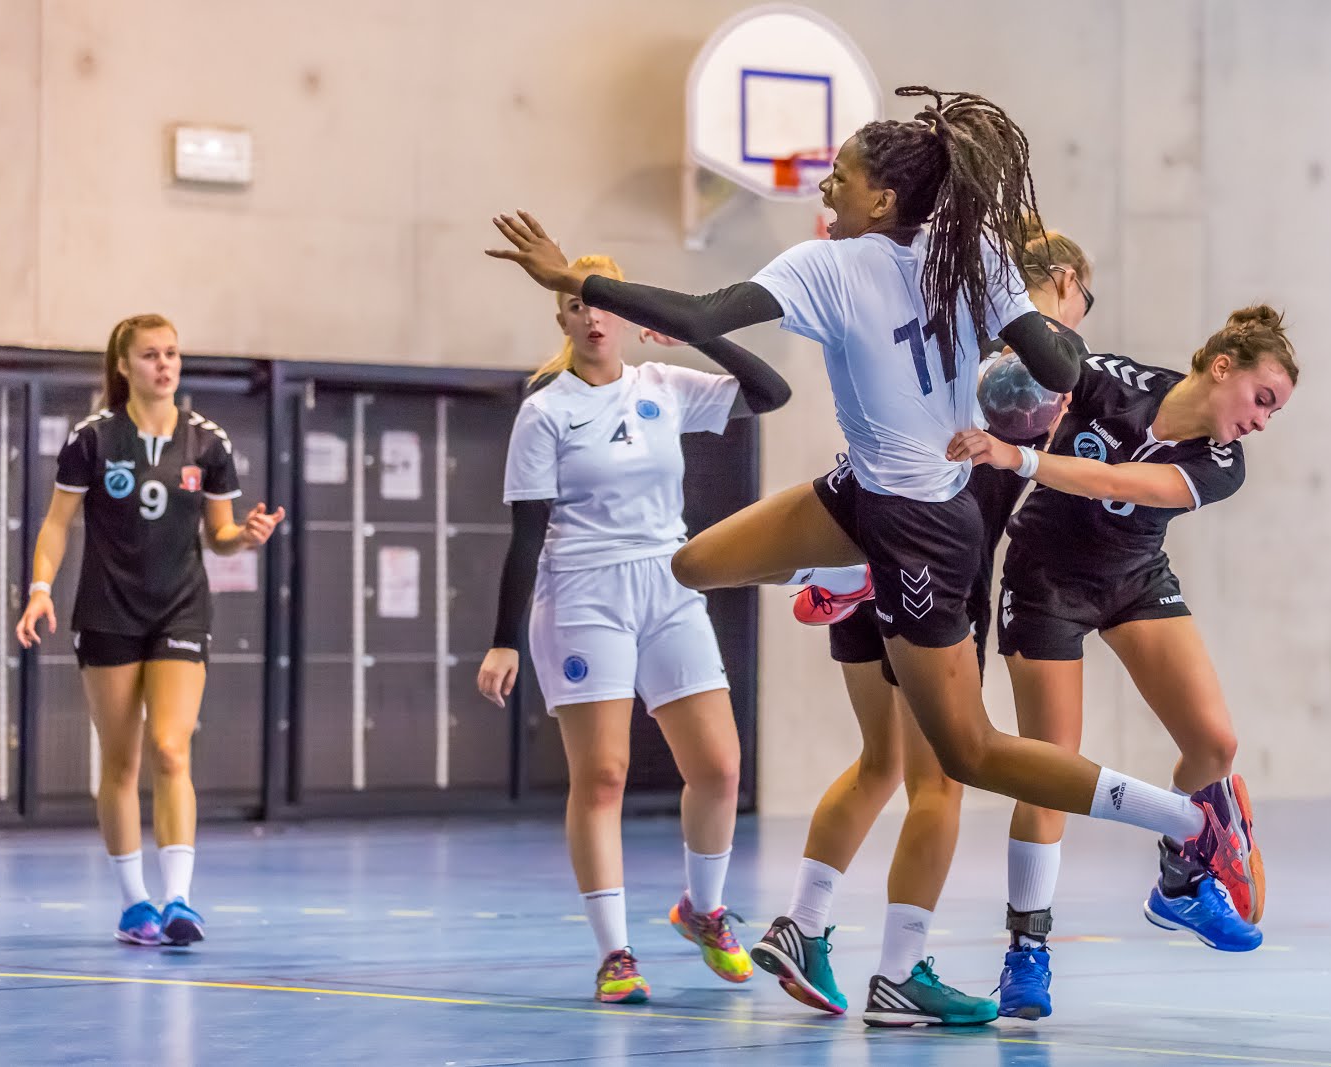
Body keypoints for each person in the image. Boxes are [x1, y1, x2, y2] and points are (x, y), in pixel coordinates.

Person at [483, 88, 1264, 1002]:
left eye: (841, 175)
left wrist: (568, 279)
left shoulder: (838, 265)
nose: (828, 185)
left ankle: (1182, 821)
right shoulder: (951, 255)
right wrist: (1030, 321)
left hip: (924, 526)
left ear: (883, 199)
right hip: (857, 491)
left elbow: (701, 315)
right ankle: (846, 578)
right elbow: (1058, 368)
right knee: (692, 563)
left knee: (965, 753)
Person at [750, 233, 1096, 1027]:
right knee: (941, 777)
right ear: (1066, 283)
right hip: (936, 570)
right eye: (1079, 310)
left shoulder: (943, 322)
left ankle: (802, 922)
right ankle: (900, 973)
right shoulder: (1027, 352)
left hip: (869, 535)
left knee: (881, 762)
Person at [946, 305, 1297, 1020]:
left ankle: (1176, 883)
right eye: (1263, 399)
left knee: (1215, 744)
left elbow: (1124, 487)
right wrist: (1018, 396)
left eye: (1275, 412)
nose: (1263, 420)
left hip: (1135, 579)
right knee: (1050, 767)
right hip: (1046, 578)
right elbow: (1028, 387)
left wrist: (1025, 459)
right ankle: (1027, 949)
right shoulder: (1108, 381)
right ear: (1222, 367)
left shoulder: (1221, 464)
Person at [474, 254, 791, 1004]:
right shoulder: (545, 410)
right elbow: (527, 533)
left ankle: (703, 909)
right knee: (604, 773)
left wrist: (694, 328)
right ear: (561, 318)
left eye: (600, 302)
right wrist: (503, 637)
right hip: (583, 593)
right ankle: (616, 953)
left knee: (719, 766)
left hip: (669, 582)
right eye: (575, 305)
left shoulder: (663, 388)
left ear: (620, 309)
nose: (591, 316)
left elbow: (770, 393)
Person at [14, 313, 284, 947]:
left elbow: (218, 537)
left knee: (170, 747)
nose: (165, 365)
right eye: (150, 355)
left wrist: (242, 536)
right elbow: (55, 524)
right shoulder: (92, 439)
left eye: (172, 354)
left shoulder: (208, 443)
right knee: (121, 758)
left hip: (179, 610)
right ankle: (135, 905)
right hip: (107, 612)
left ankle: (180, 899)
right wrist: (39, 590)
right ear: (123, 366)